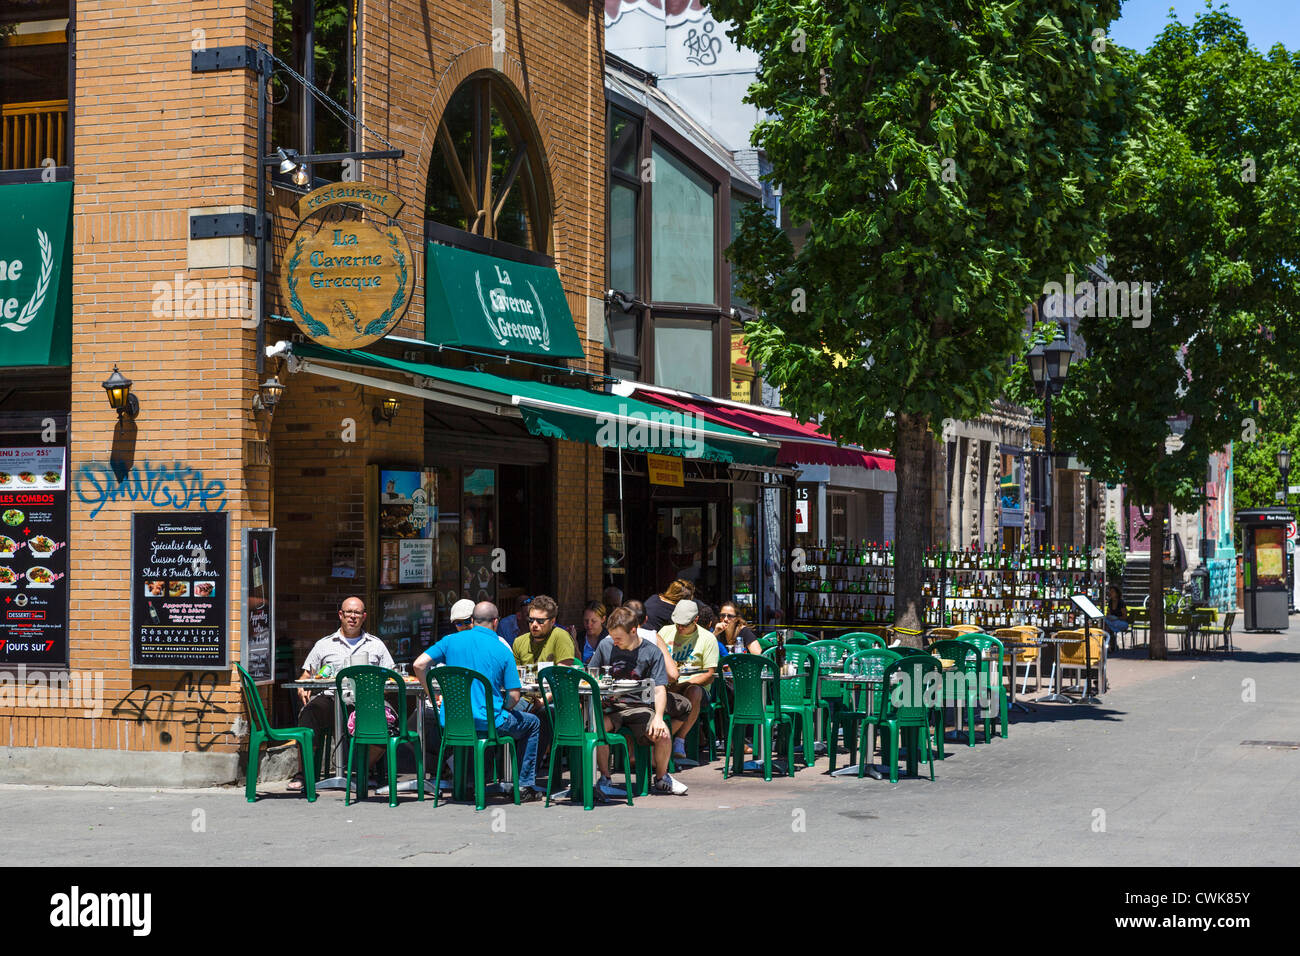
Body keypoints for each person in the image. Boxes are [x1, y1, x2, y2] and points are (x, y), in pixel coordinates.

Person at [413, 601, 546, 800]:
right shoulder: (502, 648)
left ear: (473, 620)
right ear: (496, 621)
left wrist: (431, 694)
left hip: (452, 722)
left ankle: (468, 783)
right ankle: (524, 786)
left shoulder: (450, 641)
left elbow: (419, 664)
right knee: (533, 723)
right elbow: (514, 696)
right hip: (488, 721)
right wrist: (503, 709)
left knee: (482, 728)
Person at [290, 596, 395, 792]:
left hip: (365, 700)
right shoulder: (324, 644)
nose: (352, 617)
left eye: (357, 613)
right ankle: (303, 772)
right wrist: (301, 685)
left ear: (364, 617)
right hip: (331, 698)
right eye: (348, 612)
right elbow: (306, 674)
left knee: (385, 720)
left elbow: (391, 676)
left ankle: (360, 770)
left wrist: (380, 687)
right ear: (341, 615)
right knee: (310, 712)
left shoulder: (376, 644)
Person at [589, 606, 691, 796]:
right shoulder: (605, 645)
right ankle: (605, 778)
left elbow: (660, 688)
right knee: (597, 729)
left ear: (633, 631)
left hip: (641, 707)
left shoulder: (651, 652)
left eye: (618, 638)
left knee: (663, 734)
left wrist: (659, 717)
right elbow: (591, 675)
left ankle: (662, 778)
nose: (615, 642)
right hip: (612, 706)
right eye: (612, 637)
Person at [654, 599, 719, 767]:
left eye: (684, 625)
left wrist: (682, 684)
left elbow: (710, 674)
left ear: (695, 620)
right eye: (677, 624)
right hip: (667, 685)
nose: (679, 628)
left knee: (694, 691)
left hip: (695, 686)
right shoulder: (665, 632)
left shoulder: (707, 638)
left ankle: (679, 740)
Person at [1102, 584, 1130, 653]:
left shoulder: (1121, 602)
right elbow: (1108, 613)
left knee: (1107, 626)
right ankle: (1110, 645)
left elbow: (1125, 616)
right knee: (1105, 623)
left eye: (1112, 592)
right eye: (1110, 592)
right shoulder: (1110, 602)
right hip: (1112, 622)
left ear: (1117, 593)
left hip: (1121, 622)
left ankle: (1110, 645)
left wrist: (1116, 618)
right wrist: (1108, 616)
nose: (1110, 593)